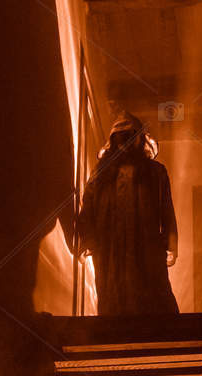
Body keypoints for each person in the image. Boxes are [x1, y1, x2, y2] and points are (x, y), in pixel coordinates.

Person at [77, 114, 179, 316]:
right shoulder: (100, 173)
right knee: (112, 293)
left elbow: (166, 208)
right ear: (114, 140)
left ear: (139, 139)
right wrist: (87, 239)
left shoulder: (155, 172)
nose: (125, 141)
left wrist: (170, 243)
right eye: (121, 137)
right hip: (109, 248)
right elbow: (87, 208)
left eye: (130, 136)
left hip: (146, 245)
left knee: (152, 295)